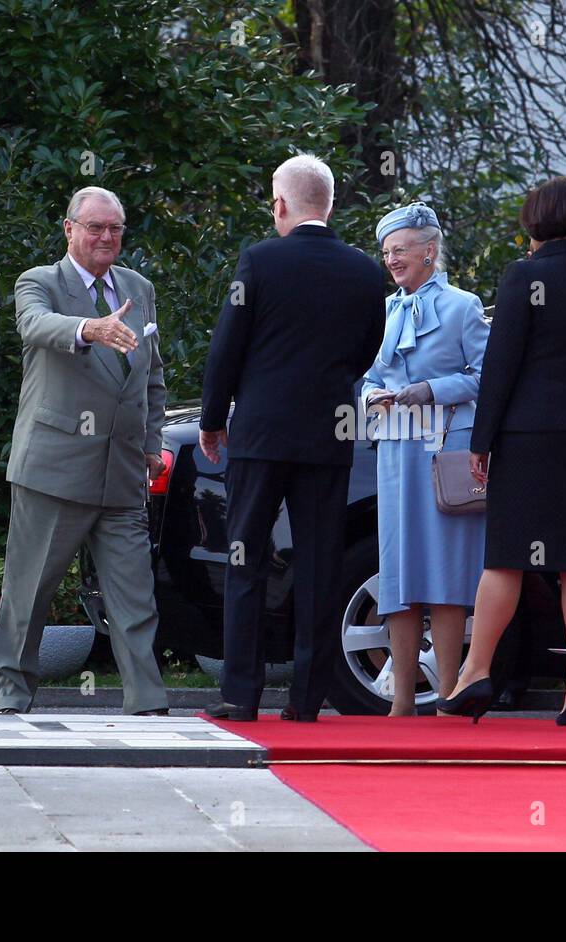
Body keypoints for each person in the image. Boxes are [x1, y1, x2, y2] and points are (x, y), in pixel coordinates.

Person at [440, 176, 566, 726]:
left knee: (506, 557)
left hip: (530, 435)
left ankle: (476, 671)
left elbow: (499, 366)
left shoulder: (523, 276)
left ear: (539, 222)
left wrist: (481, 441)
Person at [199, 155, 384, 722]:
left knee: (245, 560)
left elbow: (228, 344)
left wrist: (212, 417)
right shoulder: (364, 270)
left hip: (259, 432)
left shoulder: (259, 260)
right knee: (321, 565)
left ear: (281, 205)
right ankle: (307, 700)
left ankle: (239, 693)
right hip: (330, 434)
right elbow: (366, 350)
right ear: (328, 204)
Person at [0, 186, 169, 716]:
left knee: (135, 595)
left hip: (121, 472)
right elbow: (34, 326)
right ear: (69, 229)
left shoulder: (138, 287)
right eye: (95, 227)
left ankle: (147, 701)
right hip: (54, 469)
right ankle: (13, 693)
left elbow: (152, 376)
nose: (107, 237)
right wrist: (89, 328)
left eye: (115, 228)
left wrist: (153, 447)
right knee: (30, 592)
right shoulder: (39, 282)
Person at [361, 203, 490, 716]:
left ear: (429, 251)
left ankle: (451, 693)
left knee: (446, 574)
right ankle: (402, 698)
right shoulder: (383, 311)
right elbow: (368, 377)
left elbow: (487, 377)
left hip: (445, 456)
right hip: (395, 453)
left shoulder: (463, 305)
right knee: (400, 573)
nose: (392, 260)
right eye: (387, 252)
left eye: (401, 250)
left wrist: (430, 389)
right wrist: (371, 397)